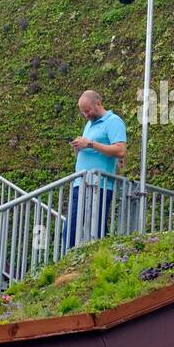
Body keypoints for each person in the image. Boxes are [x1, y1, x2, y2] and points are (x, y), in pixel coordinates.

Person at [65, 90, 127, 249]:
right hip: (81, 183)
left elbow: (120, 150)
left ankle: (92, 265)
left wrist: (91, 144)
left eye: (87, 110)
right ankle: (71, 268)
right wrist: (79, 147)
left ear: (98, 103)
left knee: (94, 231)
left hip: (99, 186)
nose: (85, 114)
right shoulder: (89, 124)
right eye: (82, 112)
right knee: (71, 231)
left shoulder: (113, 121)